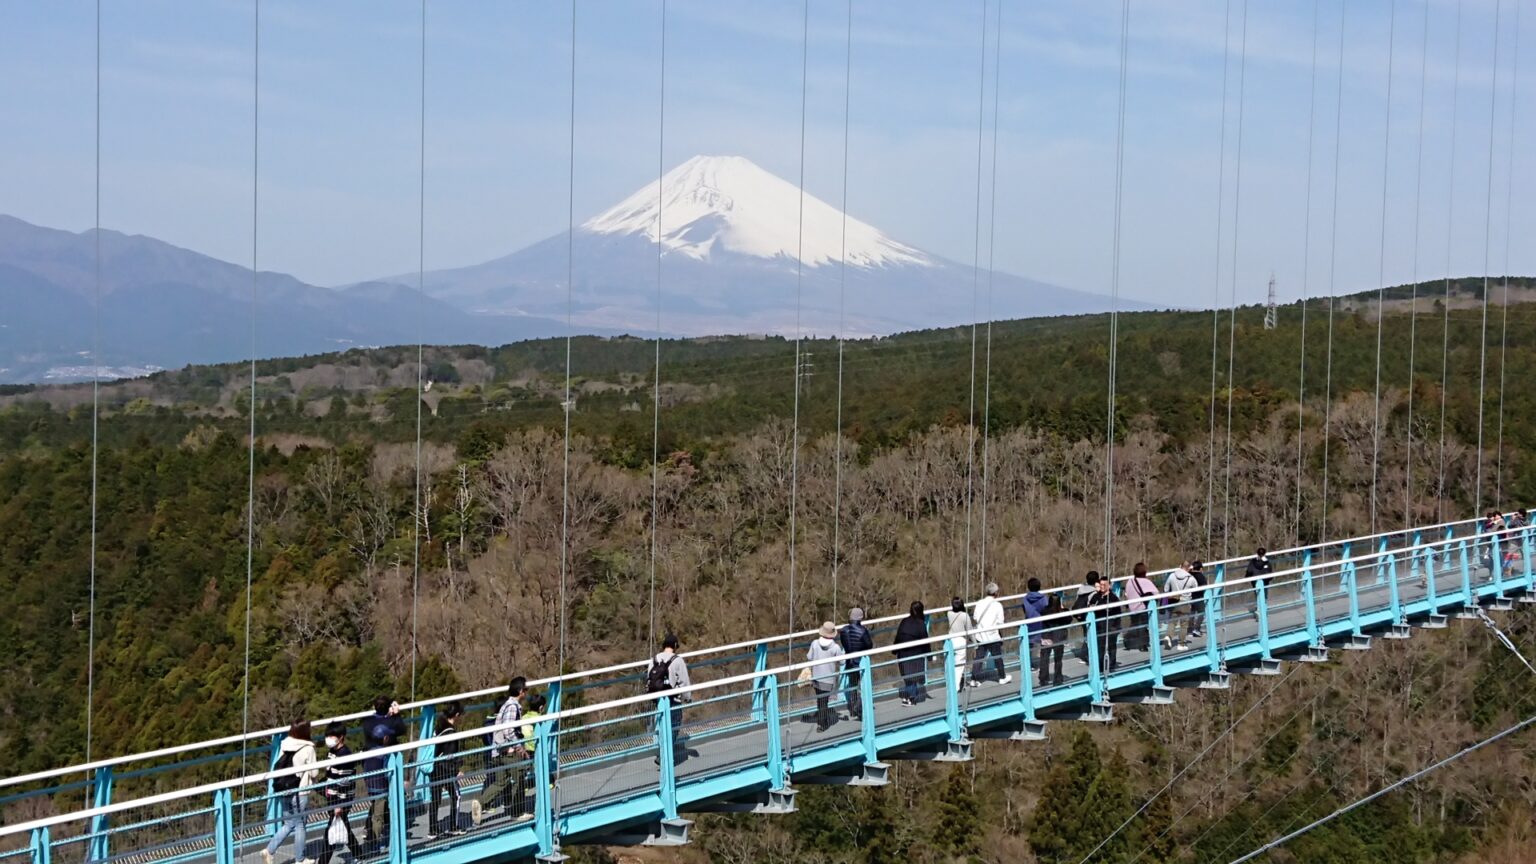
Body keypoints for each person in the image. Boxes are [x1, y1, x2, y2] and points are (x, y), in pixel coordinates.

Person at [471, 678, 527, 827]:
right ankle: (517, 812)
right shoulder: (513, 706)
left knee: (500, 782)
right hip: (508, 751)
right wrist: (518, 746)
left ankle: (481, 802)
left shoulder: (505, 706)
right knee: (519, 778)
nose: (526, 692)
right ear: (521, 691)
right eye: (525, 689)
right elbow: (509, 729)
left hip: (498, 751)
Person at [264, 720, 318, 864]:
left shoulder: (285, 743)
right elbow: (314, 772)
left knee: (288, 823)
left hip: (284, 789)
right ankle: (300, 859)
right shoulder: (308, 748)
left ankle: (269, 850)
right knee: (300, 824)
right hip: (300, 791)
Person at [361, 697, 407, 853]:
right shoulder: (390, 723)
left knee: (376, 801)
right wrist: (396, 715)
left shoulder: (367, 721)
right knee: (381, 804)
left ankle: (369, 832)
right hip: (385, 767)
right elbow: (401, 729)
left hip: (369, 765)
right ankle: (376, 840)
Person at [317, 722, 360, 864]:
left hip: (341, 799)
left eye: (332, 736)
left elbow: (344, 784)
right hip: (333, 797)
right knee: (343, 828)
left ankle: (322, 862)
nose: (328, 738)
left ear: (341, 737)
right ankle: (360, 855)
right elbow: (331, 774)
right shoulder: (333, 752)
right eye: (327, 736)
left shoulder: (345, 756)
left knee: (331, 833)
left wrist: (339, 805)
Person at [649, 634, 693, 764]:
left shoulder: (654, 659)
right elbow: (684, 682)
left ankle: (662, 752)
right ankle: (665, 756)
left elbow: (649, 678)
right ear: (674, 646)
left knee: (662, 727)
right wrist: (688, 698)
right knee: (673, 727)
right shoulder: (678, 660)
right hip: (673, 700)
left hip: (659, 700)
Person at [428, 702, 467, 838]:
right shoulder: (450, 732)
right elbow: (450, 755)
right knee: (456, 796)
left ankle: (432, 829)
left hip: (434, 768)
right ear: (456, 715)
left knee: (435, 799)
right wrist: (456, 771)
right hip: (446, 769)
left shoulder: (438, 727)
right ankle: (453, 826)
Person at [807, 622, 846, 731]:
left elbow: (809, 657)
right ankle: (823, 723)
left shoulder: (814, 643)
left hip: (816, 676)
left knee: (820, 699)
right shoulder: (835, 647)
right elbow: (842, 662)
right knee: (824, 700)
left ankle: (820, 715)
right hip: (828, 679)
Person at [837, 608, 874, 721]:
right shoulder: (863, 631)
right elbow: (869, 645)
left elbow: (845, 644)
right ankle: (860, 710)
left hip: (849, 661)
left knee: (853, 686)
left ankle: (853, 708)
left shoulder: (843, 631)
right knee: (861, 686)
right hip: (860, 663)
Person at [971, 582, 1010, 685]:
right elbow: (1000, 622)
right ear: (996, 593)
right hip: (993, 636)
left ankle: (974, 679)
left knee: (979, 658)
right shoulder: (997, 605)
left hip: (980, 635)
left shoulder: (979, 603)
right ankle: (1002, 677)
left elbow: (975, 618)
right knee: (997, 656)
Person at [893, 601, 930, 706]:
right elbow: (925, 641)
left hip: (903, 653)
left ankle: (910, 696)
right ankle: (911, 697)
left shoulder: (904, 621)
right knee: (913, 675)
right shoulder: (921, 624)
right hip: (915, 654)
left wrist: (894, 649)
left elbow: (898, 636)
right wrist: (929, 656)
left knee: (908, 676)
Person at [1084, 574, 1120, 672]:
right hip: (1098, 627)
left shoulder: (1113, 598)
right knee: (1099, 648)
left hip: (1111, 626)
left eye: (1105, 584)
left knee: (1111, 647)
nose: (1102, 586)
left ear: (1109, 585)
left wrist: (1116, 627)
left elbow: (1117, 613)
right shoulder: (1096, 596)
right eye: (1101, 584)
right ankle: (1099, 667)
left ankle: (1111, 666)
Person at [1163, 563, 1200, 651]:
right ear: (1188, 569)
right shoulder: (1190, 578)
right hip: (1185, 603)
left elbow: (1166, 589)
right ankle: (1181, 644)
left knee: (1172, 622)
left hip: (1174, 602)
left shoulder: (1172, 575)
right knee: (1184, 625)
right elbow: (1196, 588)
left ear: (1180, 566)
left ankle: (1168, 636)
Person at [1122, 563, 1158, 651]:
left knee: (1134, 625)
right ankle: (1143, 645)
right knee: (1142, 626)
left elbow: (1127, 594)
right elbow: (1156, 593)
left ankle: (1128, 641)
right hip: (1142, 607)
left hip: (1132, 608)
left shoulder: (1130, 581)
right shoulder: (1146, 582)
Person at [1038, 593, 1066, 686]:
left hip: (1046, 636)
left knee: (1044, 658)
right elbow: (1069, 619)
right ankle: (1058, 678)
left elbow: (1041, 614)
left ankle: (1043, 678)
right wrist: (1063, 608)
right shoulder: (1062, 613)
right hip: (1059, 637)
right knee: (1058, 659)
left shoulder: (1044, 611)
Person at [1070, 572, 1100, 662]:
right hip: (1089, 617)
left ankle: (1085, 654)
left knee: (1086, 634)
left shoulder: (1081, 589)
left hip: (1081, 616)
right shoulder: (1094, 593)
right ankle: (1088, 655)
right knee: (1092, 635)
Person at [946, 598, 973, 691]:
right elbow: (970, 630)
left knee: (951, 663)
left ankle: (951, 684)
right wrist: (975, 643)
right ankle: (956, 686)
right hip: (960, 641)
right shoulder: (964, 616)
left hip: (950, 641)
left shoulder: (949, 614)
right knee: (959, 666)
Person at [1244, 547, 1274, 617]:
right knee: (1264, 596)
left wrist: (1247, 577)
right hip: (1265, 582)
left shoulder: (1253, 561)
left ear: (1257, 553)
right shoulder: (1267, 562)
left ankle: (1259, 611)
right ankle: (1263, 611)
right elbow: (1270, 574)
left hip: (1255, 582)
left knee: (1257, 595)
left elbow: (1249, 571)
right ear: (1264, 554)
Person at [1187, 561, 1208, 639]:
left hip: (1190, 596)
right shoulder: (1200, 576)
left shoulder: (1189, 575)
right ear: (1201, 568)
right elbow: (1204, 586)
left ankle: (1189, 630)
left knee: (1192, 613)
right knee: (1202, 612)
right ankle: (1197, 629)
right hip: (1198, 597)